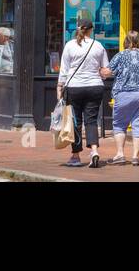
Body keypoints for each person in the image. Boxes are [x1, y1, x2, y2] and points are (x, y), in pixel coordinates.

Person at [56, 18, 108, 168]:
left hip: (74, 88)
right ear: (91, 30)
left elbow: (64, 70)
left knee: (76, 122)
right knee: (91, 121)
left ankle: (76, 156)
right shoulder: (98, 46)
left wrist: (59, 88)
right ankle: (94, 151)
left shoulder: (70, 45)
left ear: (78, 29)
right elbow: (105, 71)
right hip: (95, 87)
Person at [104, 30, 139, 166]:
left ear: (126, 41)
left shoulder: (120, 55)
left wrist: (99, 70)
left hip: (125, 94)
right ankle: (135, 157)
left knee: (120, 124)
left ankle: (120, 154)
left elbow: (107, 72)